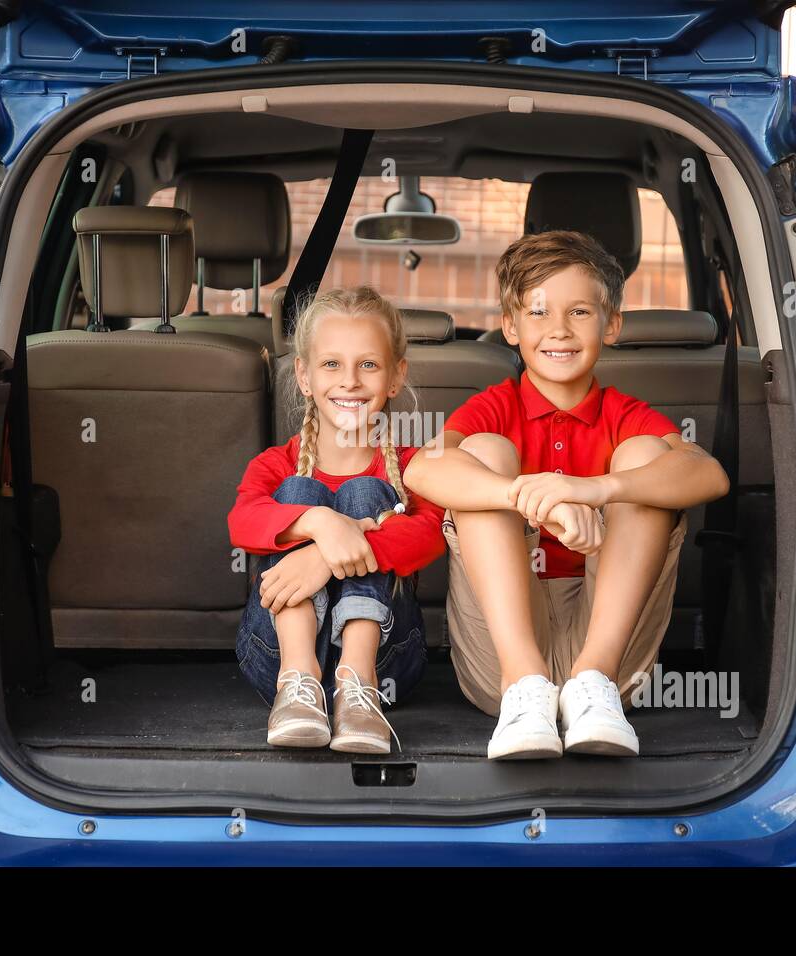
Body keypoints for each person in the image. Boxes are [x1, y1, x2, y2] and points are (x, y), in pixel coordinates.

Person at [403, 230, 730, 760]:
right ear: (510, 327)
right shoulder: (496, 406)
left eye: (579, 311)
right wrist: (535, 498)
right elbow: (422, 470)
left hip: (609, 658)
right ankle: (526, 684)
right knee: (482, 452)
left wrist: (595, 488)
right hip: (504, 661)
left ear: (613, 324)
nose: (558, 329)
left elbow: (708, 476)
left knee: (649, 458)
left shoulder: (623, 414)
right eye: (537, 313)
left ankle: (592, 683)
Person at [227, 287, 445, 754]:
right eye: (331, 365)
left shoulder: (413, 466)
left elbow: (430, 535)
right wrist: (322, 525)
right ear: (304, 375)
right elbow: (243, 521)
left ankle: (355, 683)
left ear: (395, 376)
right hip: (275, 659)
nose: (349, 380)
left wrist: (327, 558)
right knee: (300, 494)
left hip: (386, 666)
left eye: (368, 364)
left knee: (367, 493)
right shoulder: (275, 463)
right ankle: (299, 678)